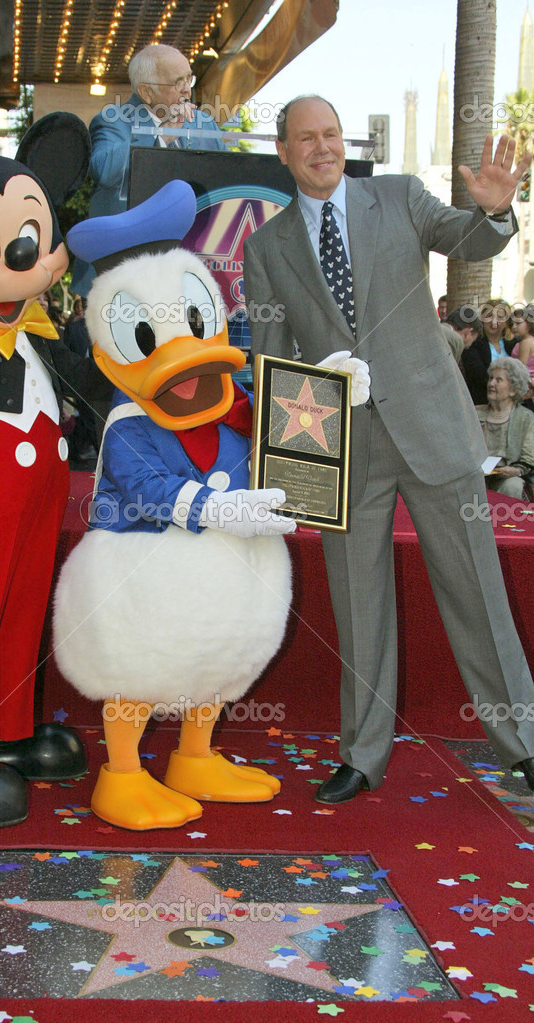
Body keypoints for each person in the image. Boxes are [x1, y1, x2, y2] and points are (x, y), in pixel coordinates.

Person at [243, 94, 534, 802]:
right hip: (343, 450)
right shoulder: (265, 246)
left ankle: (523, 743)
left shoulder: (399, 197)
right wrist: (289, 469)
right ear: (282, 152)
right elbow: (272, 361)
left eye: (333, 134)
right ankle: (362, 754)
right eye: (306, 138)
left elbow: (467, 237)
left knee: (477, 595)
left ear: (347, 142)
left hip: (433, 433)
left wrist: (494, 211)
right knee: (357, 604)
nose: (323, 147)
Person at [88, 43, 226, 218]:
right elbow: (104, 172)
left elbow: (231, 175)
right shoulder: (113, 120)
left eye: (189, 79)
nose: (187, 90)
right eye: (178, 82)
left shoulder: (203, 122)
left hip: (197, 234)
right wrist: (161, 136)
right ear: (146, 92)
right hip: (133, 237)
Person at [477, 356, 534, 500]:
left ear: (513, 389)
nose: (491, 383)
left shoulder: (526, 418)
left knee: (512, 486)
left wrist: (516, 470)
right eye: (491, 379)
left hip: (505, 477)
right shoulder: (475, 413)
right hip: (475, 476)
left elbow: (528, 457)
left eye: (498, 380)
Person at [463, 298, 512, 404]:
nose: (494, 321)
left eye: (500, 317)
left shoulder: (514, 344)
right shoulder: (473, 345)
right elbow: (480, 376)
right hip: (484, 402)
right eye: (489, 315)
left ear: (507, 322)